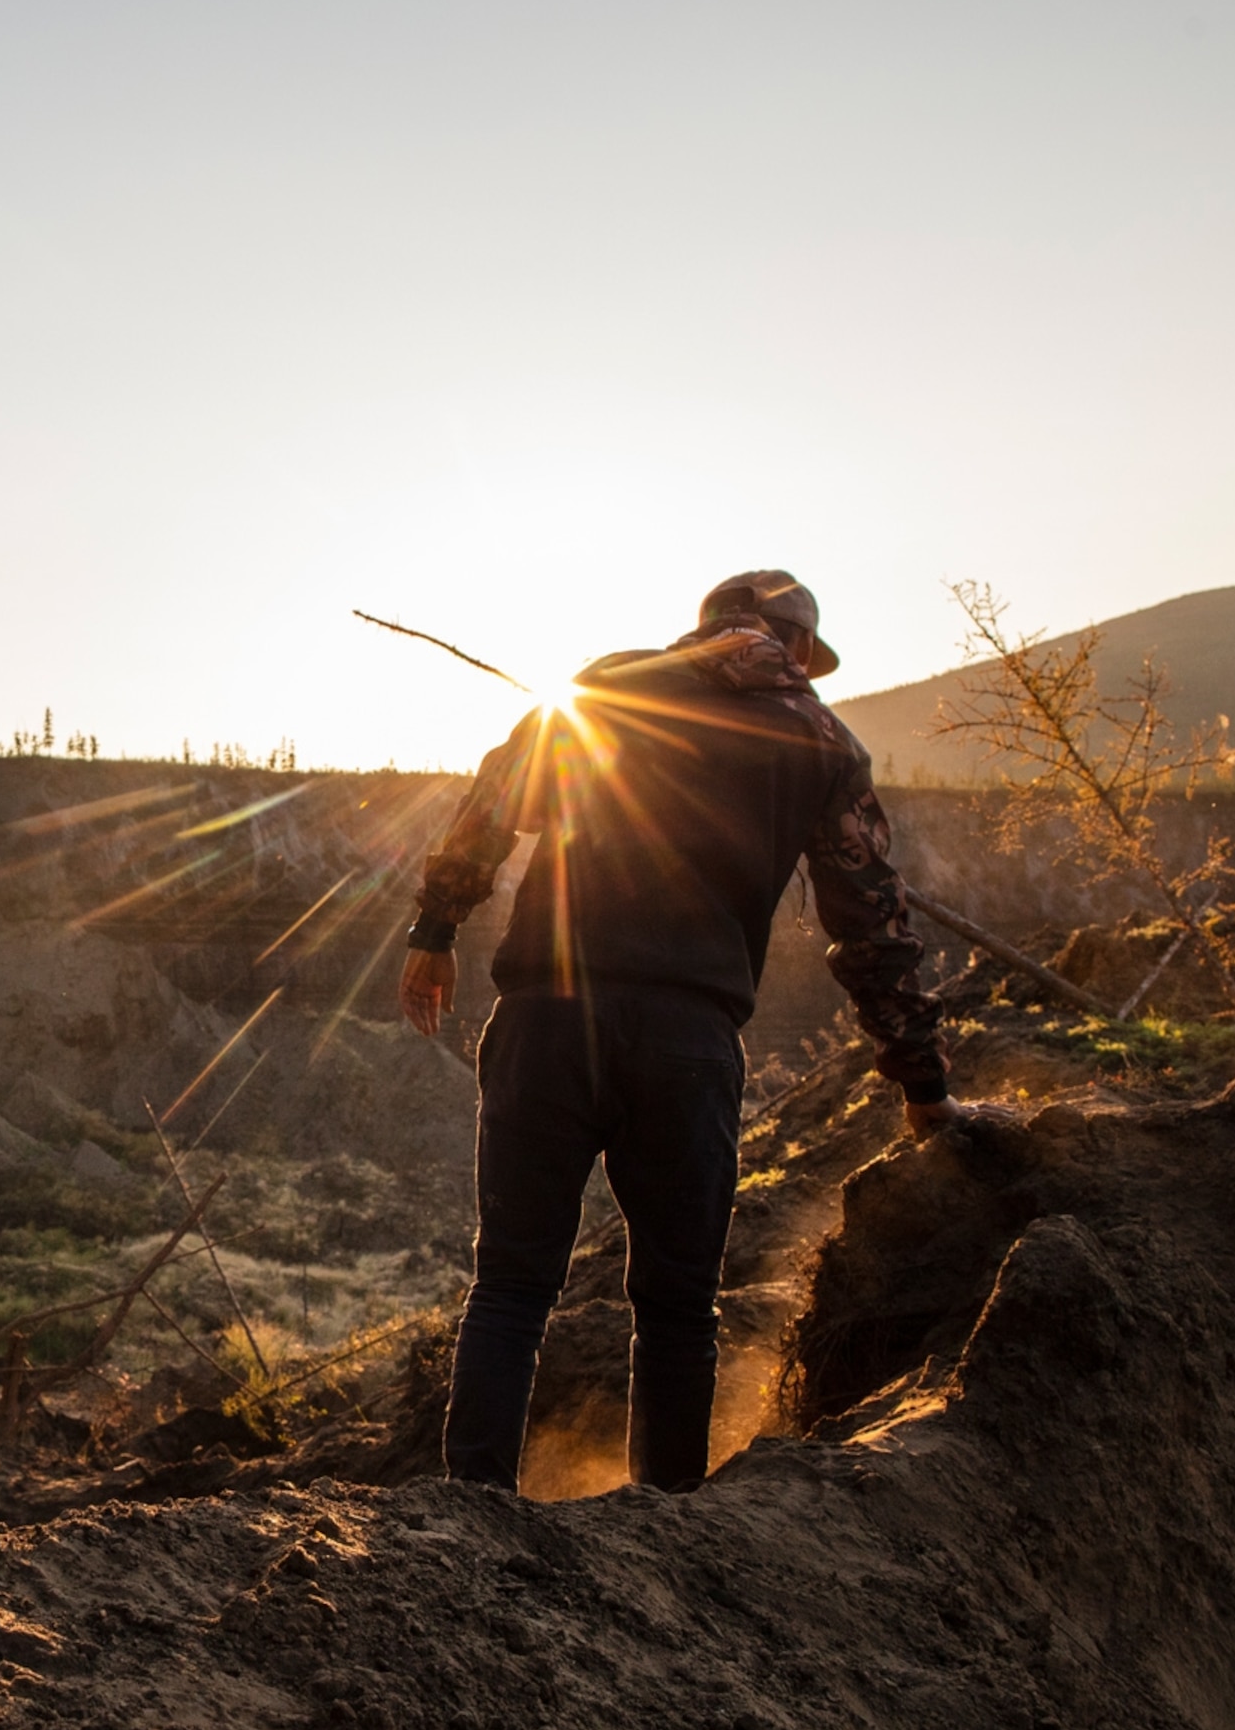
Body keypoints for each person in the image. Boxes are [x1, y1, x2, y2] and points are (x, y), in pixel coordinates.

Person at [398, 569, 962, 1494]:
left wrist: (435, 930)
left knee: (509, 1287)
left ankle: (474, 1510)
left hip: (547, 1017)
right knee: (678, 1308)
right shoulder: (822, 739)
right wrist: (923, 1084)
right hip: (688, 1040)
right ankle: (665, 1525)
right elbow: (872, 923)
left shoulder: (613, 684)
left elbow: (497, 802)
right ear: (803, 653)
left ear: (705, 628)